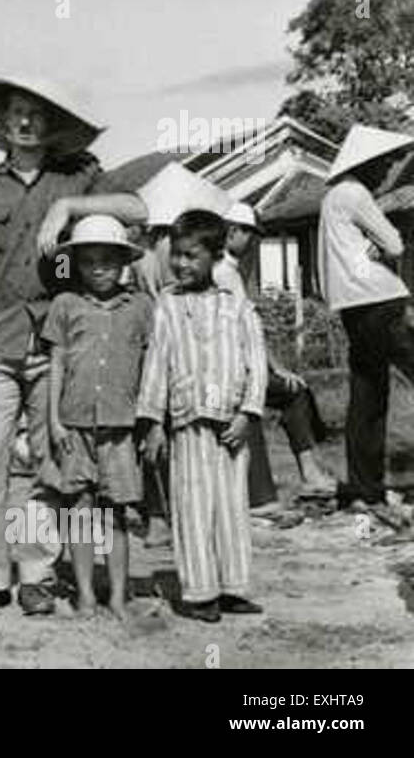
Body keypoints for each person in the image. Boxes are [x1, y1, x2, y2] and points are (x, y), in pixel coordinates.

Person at [0, 76, 146, 615]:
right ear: (2, 124)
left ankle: (35, 572)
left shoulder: (77, 175)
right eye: (16, 113)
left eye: (36, 113)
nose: (26, 122)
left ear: (50, 123)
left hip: (55, 348)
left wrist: (70, 207)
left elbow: (137, 209)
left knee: (46, 467)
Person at [138, 209, 267, 623]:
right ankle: (199, 592)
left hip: (231, 423)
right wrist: (154, 422)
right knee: (193, 506)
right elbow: (157, 362)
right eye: (177, 255)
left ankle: (234, 587)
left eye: (192, 255)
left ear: (214, 255)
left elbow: (256, 361)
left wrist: (249, 412)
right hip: (187, 421)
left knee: (231, 506)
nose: (181, 264)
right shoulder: (168, 305)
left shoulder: (237, 307)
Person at [43, 215, 152, 620]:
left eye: (108, 260)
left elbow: (152, 365)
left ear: (124, 261)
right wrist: (54, 419)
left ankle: (119, 596)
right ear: (77, 265)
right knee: (81, 509)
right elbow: (56, 363)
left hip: (122, 427)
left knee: (117, 513)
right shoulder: (65, 305)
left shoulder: (140, 307)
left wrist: (149, 422)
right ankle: (86, 594)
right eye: (89, 261)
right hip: (74, 424)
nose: (99, 268)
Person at [318, 124, 414, 509]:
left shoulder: (331, 198)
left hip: (352, 306)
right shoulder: (357, 193)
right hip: (381, 298)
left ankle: (365, 488)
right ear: (370, 164)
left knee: (367, 394)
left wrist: (369, 246)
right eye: (385, 165)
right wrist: (378, 245)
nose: (387, 172)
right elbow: (394, 242)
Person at [216, 202, 333, 504]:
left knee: (296, 389)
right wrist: (275, 367)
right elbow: (249, 326)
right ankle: (309, 472)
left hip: (233, 362)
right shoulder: (224, 271)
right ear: (233, 231)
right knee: (295, 391)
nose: (251, 242)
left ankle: (311, 468)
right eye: (249, 235)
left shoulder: (225, 268)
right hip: (234, 367)